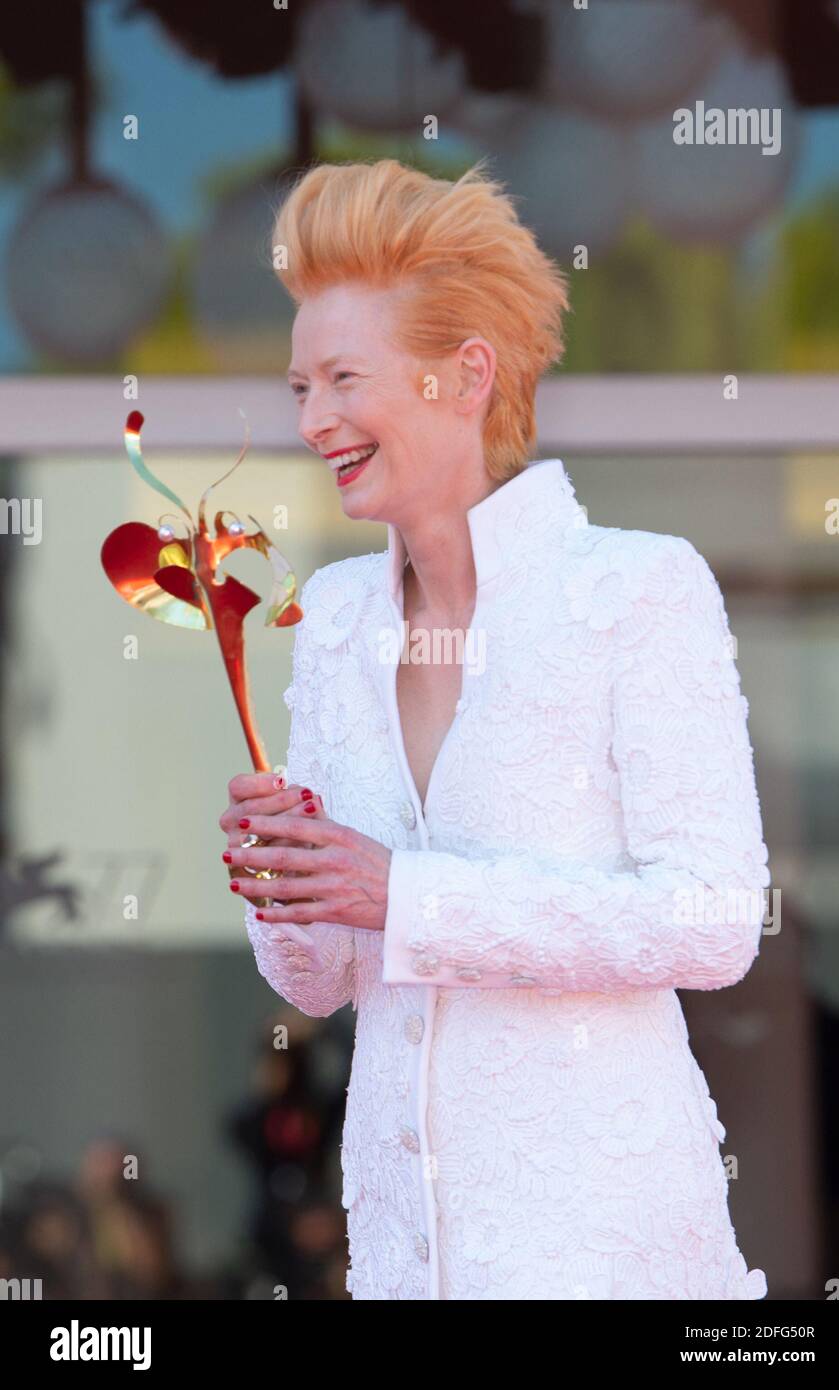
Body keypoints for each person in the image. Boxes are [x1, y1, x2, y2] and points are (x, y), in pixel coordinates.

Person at [219, 158, 770, 1301]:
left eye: (342, 379)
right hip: (403, 1259)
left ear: (464, 376)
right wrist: (287, 879)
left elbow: (714, 919)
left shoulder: (635, 592)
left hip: (603, 1253)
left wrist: (400, 893)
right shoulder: (330, 617)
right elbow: (321, 982)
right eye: (297, 389)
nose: (314, 418)